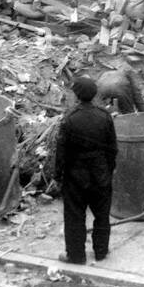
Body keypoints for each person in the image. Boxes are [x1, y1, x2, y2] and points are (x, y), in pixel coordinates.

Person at [53, 76, 117, 265]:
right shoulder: (104, 116)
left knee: (74, 216)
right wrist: (108, 169)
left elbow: (61, 151)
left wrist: (58, 175)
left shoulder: (70, 119)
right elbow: (112, 147)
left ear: (77, 95)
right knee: (102, 214)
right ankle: (101, 251)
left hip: (76, 175)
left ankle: (76, 255)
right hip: (100, 172)